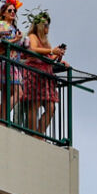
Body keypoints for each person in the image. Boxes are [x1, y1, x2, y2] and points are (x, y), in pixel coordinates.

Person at [20, 8, 64, 136]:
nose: (48, 28)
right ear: (39, 26)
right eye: (45, 25)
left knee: (51, 107)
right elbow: (33, 50)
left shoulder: (46, 41)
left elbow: (47, 59)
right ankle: (33, 133)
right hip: (35, 74)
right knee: (35, 104)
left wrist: (58, 57)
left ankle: (39, 133)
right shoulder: (33, 36)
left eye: (48, 25)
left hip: (46, 76)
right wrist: (51, 52)